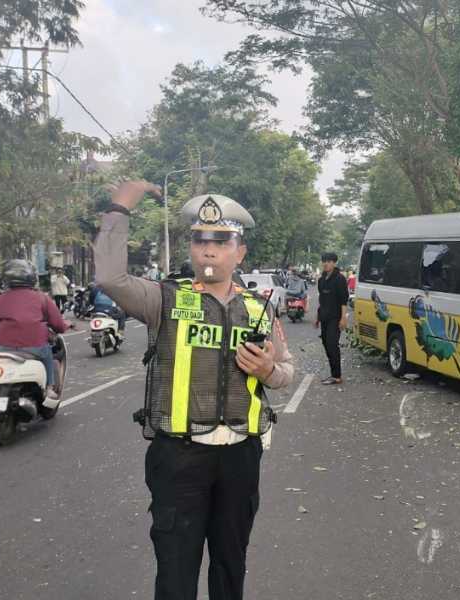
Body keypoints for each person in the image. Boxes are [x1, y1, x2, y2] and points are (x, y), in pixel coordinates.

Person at [94, 181, 294, 600]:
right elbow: (110, 277)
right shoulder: (163, 299)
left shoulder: (260, 308)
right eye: (200, 240)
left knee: (230, 565)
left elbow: (286, 373)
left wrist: (270, 368)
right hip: (179, 457)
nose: (208, 249)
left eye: (221, 241)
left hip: (241, 456)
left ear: (239, 252)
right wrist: (120, 208)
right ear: (191, 247)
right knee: (176, 571)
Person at [0, 260, 69, 400]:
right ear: (32, 278)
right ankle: (49, 388)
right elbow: (58, 324)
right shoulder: (41, 298)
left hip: (3, 348)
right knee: (48, 356)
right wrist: (65, 325)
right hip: (34, 347)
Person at [315, 252, 348, 385]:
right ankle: (334, 373)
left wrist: (343, 318)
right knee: (326, 344)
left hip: (335, 318)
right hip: (324, 317)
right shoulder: (321, 280)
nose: (325, 264)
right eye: (324, 261)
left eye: (328, 261)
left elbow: (344, 300)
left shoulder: (339, 279)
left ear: (334, 263)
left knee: (332, 344)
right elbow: (321, 300)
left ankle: (336, 376)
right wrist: (317, 317)